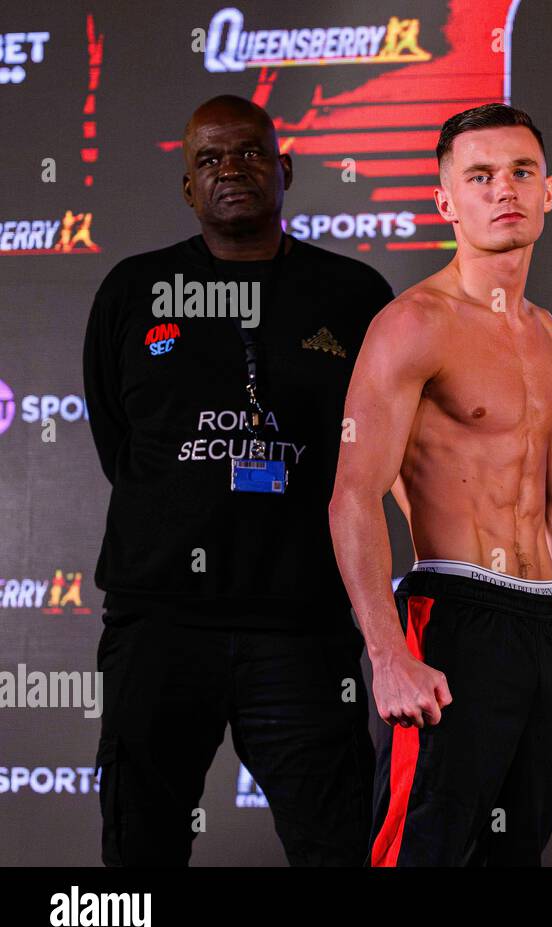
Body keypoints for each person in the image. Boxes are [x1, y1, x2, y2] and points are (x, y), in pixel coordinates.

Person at [83, 95, 392, 866]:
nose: (232, 170)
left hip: (301, 627)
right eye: (210, 159)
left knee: (337, 845)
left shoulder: (353, 297)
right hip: (160, 623)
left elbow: (377, 456)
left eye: (250, 152)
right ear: (189, 188)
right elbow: (118, 443)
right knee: (138, 853)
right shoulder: (134, 291)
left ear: (284, 168)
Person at [329, 103, 552, 867]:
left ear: (550, 191)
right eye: (481, 175)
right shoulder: (413, 324)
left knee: (516, 853)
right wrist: (388, 655)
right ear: (445, 201)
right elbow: (354, 495)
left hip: (540, 626)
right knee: (419, 851)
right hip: (452, 616)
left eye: (522, 172)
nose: (506, 190)